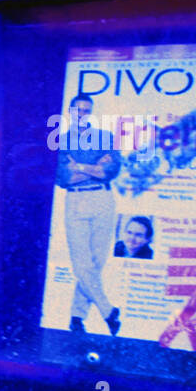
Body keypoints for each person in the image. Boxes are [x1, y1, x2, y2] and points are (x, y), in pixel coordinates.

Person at [57, 94, 123, 335]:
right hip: (75, 199)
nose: (82, 114)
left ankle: (77, 316)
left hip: (103, 198)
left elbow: (111, 171)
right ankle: (108, 311)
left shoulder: (104, 137)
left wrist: (79, 167)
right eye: (78, 110)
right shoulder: (61, 141)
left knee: (96, 262)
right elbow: (64, 179)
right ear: (70, 112)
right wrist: (96, 168)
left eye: (86, 110)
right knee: (82, 264)